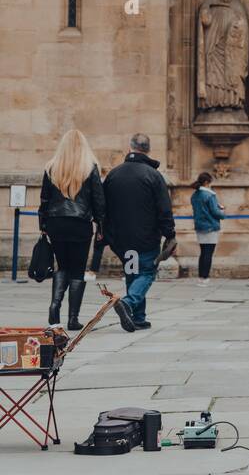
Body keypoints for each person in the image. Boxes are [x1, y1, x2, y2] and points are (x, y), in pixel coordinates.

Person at [103, 133, 175, 331]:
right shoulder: (153, 175)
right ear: (148, 149)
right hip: (146, 235)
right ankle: (128, 302)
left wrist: (106, 232)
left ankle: (138, 317)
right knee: (146, 271)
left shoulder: (114, 174)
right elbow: (164, 208)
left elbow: (103, 206)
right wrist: (169, 233)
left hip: (120, 237)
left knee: (132, 272)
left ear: (130, 147)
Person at [39, 129, 105, 331]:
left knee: (62, 266)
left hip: (56, 224)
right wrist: (101, 224)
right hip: (80, 225)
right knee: (77, 270)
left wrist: (43, 226)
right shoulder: (89, 167)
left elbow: (44, 199)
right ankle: (73, 318)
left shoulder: (51, 167)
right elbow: (98, 200)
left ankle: (54, 308)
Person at [190, 171, 224, 283]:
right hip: (210, 226)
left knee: (203, 252)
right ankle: (205, 277)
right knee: (208, 253)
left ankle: (201, 276)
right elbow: (215, 212)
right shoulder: (210, 195)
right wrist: (222, 212)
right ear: (206, 182)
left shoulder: (194, 195)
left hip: (200, 226)